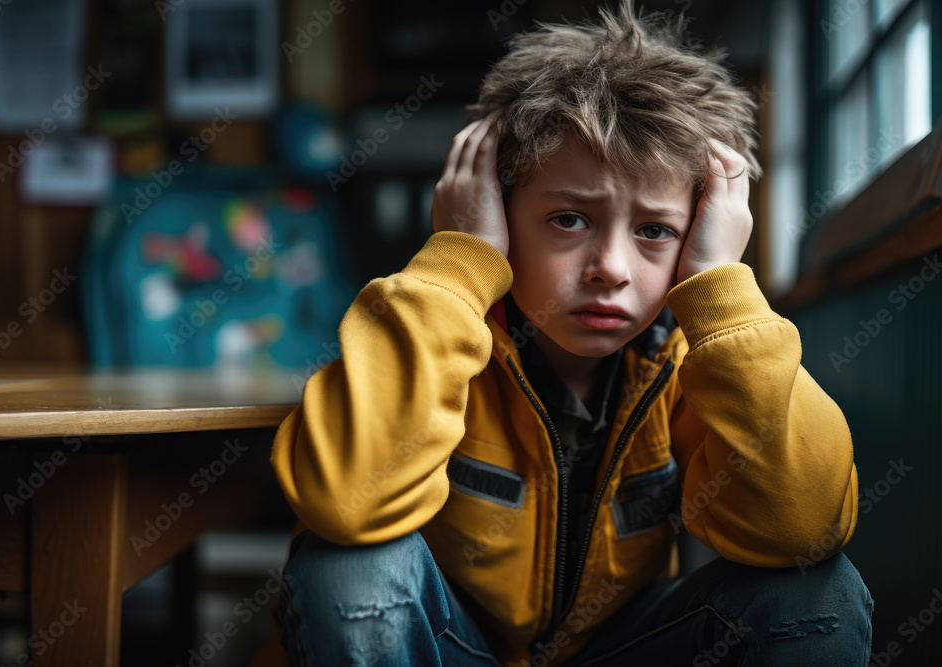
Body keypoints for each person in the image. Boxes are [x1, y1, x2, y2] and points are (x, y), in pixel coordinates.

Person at [269, 2, 873, 664]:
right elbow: (345, 501)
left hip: (618, 648)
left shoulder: (693, 359)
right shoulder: (434, 327)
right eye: (567, 220)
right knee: (348, 565)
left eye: (655, 231)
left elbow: (805, 528)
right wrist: (457, 263)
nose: (611, 269)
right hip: (452, 646)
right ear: (496, 213)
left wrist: (722, 289)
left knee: (822, 589)